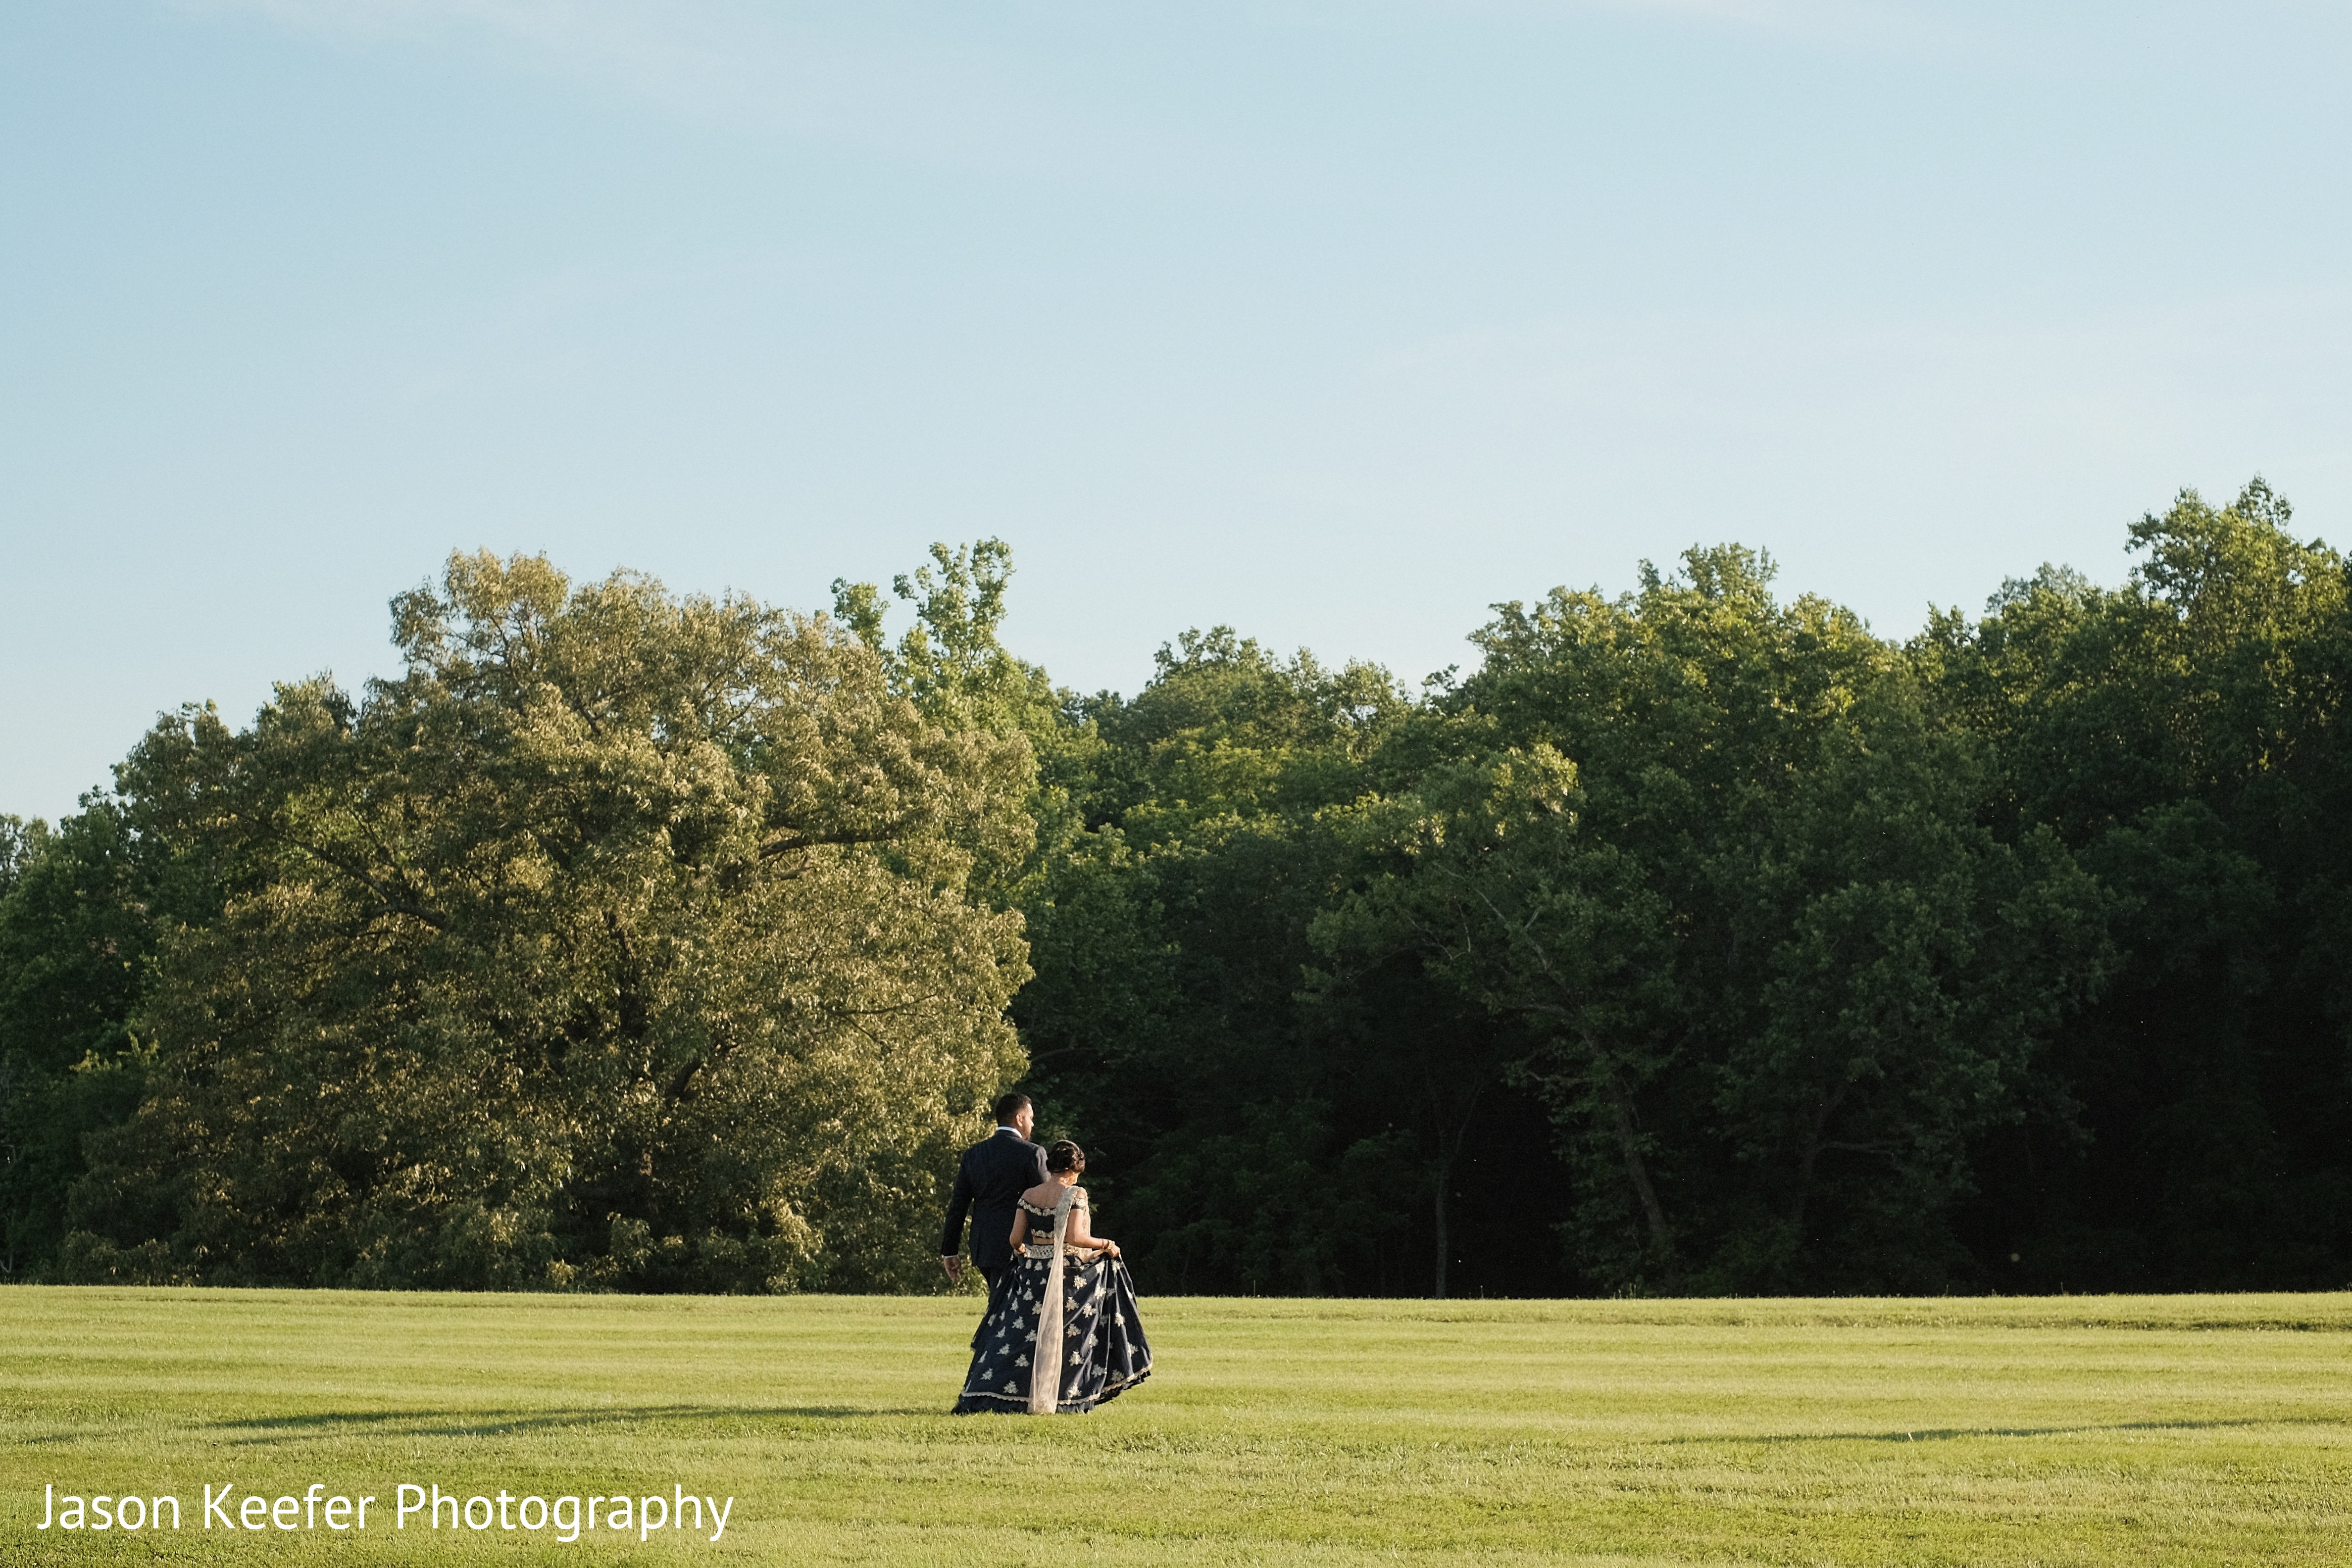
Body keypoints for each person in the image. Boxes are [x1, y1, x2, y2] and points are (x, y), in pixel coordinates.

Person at [953, 1140, 1153, 1415]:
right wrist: (1107, 1244)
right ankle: (1067, 1395)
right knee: (1072, 1336)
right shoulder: (1075, 1194)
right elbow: (1076, 1238)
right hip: (1067, 1275)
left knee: (1023, 1335)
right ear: (1074, 1170)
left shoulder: (1029, 1195)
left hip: (1034, 1274)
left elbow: (1014, 1239)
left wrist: (1028, 1252)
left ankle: (999, 1394)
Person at [940, 1092, 1048, 1303]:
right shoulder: (1033, 1154)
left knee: (999, 1307)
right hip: (1022, 1247)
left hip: (985, 1248)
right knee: (1014, 1313)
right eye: (1031, 1118)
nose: (1033, 1124)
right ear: (1019, 1119)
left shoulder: (974, 1154)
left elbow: (958, 1207)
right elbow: (1047, 1203)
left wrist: (949, 1251)